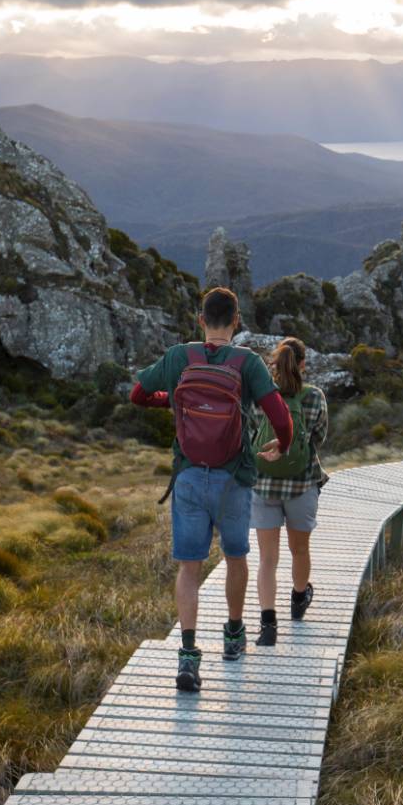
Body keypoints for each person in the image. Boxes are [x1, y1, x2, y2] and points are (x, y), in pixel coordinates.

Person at [129, 287, 293, 691]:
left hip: (187, 477)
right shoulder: (247, 362)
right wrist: (283, 444)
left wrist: (171, 401)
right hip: (233, 480)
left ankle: (187, 657)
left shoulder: (179, 357)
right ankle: (234, 635)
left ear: (200, 320)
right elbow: (279, 416)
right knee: (236, 557)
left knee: (189, 568)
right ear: (236, 322)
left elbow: (137, 394)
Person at [249, 337, 330, 646]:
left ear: (275, 363)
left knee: (267, 560)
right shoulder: (314, 397)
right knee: (300, 550)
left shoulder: (260, 396)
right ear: (302, 365)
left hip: (264, 485)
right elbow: (318, 438)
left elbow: (251, 436)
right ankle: (298, 600)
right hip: (302, 485)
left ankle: (268, 626)